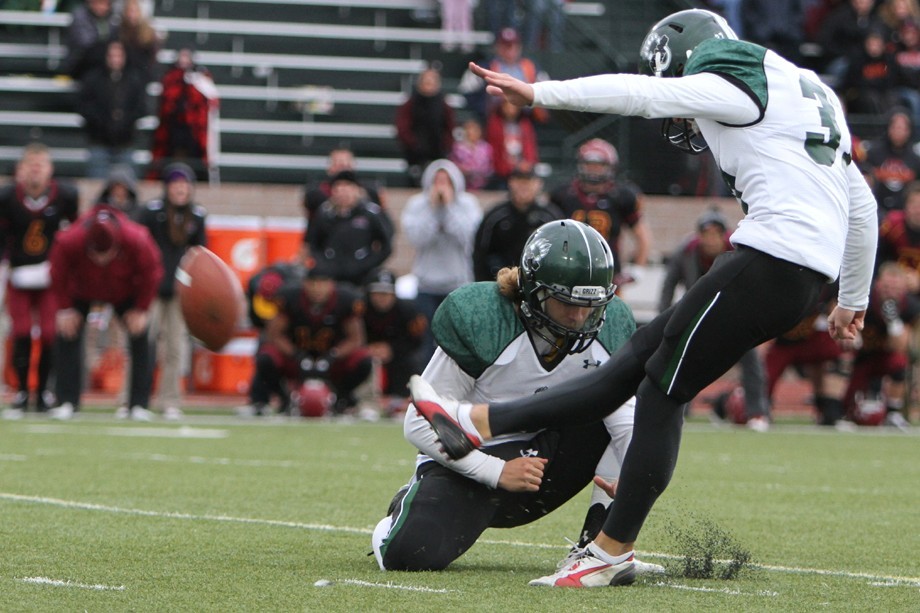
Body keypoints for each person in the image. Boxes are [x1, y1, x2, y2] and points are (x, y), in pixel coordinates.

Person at [409, 8, 877, 587]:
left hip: (772, 259)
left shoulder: (734, 74)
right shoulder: (808, 90)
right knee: (633, 363)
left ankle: (611, 550)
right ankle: (478, 420)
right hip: (797, 271)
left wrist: (539, 92)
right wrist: (852, 297)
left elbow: (640, 96)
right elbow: (862, 207)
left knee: (660, 389)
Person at [372, 220, 661, 577]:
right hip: (473, 462)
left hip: (550, 463)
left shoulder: (608, 327)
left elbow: (627, 422)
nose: (578, 316)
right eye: (565, 302)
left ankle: (599, 548)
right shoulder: (485, 321)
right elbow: (419, 421)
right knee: (408, 555)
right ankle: (408, 503)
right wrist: (496, 471)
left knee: (622, 409)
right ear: (532, 291)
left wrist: (633, 480)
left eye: (590, 304)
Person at [658, 207, 770, 430]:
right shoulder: (686, 252)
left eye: (715, 234)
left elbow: (754, 285)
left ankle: (757, 412)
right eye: (706, 234)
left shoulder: (739, 250)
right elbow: (668, 286)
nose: (710, 240)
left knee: (750, 359)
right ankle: (679, 409)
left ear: (723, 235)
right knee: (683, 359)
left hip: (735, 314)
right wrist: (666, 320)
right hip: (698, 314)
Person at [47, 204, 163, 421]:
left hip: (124, 290)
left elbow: (153, 272)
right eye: (95, 254)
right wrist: (65, 308)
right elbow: (57, 272)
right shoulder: (69, 240)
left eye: (106, 254)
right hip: (81, 289)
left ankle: (138, 404)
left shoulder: (136, 238)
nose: (101, 260)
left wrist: (141, 308)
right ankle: (66, 400)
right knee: (67, 334)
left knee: (141, 337)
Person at [0, 143, 79, 419]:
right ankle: (22, 391)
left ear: (50, 169)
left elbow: (73, 234)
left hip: (49, 276)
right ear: (21, 169)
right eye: (31, 165)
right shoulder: (8, 197)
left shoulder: (65, 195)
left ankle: (43, 391)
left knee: (48, 334)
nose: (36, 170)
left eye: (41, 165)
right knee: (21, 331)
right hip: (19, 274)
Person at [255, 259, 375, 417]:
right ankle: (284, 400)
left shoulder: (346, 300)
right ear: (305, 284)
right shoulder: (290, 297)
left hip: (333, 360)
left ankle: (341, 399)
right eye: (313, 283)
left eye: (323, 283)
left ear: (331, 284)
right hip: (296, 357)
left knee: (363, 359)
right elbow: (274, 335)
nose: (318, 288)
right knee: (267, 356)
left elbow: (356, 339)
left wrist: (332, 356)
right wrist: (297, 355)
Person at [136, 162, 208, 420]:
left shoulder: (196, 216)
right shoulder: (152, 212)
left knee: (175, 347)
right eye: (175, 184)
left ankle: (169, 400)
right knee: (143, 344)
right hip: (152, 289)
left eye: (184, 184)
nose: (180, 189)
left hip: (179, 291)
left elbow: (200, 255)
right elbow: (141, 249)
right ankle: (135, 399)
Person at [401, 159, 482, 364]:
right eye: (437, 180)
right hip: (426, 285)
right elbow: (417, 239)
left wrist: (449, 208)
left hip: (458, 284)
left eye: (446, 181)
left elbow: (468, 238)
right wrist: (433, 210)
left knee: (458, 340)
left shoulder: (468, 204)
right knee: (425, 341)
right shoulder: (417, 204)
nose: (441, 186)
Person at [549, 138, 651, 284]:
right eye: (589, 165)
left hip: (608, 273)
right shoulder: (563, 195)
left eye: (599, 166)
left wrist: (638, 268)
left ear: (610, 167)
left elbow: (642, 236)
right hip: (568, 271)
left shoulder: (621, 196)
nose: (593, 170)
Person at [841, 263, 918, 429]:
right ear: (877, 284)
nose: (891, 292)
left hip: (884, 356)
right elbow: (842, 322)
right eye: (887, 287)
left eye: (896, 288)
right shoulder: (864, 299)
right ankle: (839, 411)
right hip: (860, 355)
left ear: (904, 289)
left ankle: (893, 413)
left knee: (900, 362)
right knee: (846, 399)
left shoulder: (909, 305)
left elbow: (901, 346)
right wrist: (851, 333)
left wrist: (894, 323)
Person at [472, 163, 562, 282]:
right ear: (510, 183)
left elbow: (560, 253)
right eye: (519, 181)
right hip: (500, 283)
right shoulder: (496, 216)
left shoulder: (550, 217)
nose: (523, 186)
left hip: (540, 283)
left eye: (528, 181)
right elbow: (480, 254)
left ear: (538, 184)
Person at [304, 170, 393, 288]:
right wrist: (324, 264)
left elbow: (386, 245)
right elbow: (313, 243)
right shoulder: (324, 214)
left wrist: (367, 264)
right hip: (332, 276)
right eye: (338, 189)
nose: (342, 194)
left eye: (347, 189)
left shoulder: (370, 213)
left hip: (362, 276)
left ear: (357, 190)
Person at [77, 39, 147, 179]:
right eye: (112, 55)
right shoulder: (93, 79)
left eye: (118, 55)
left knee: (127, 184)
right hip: (99, 143)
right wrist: (104, 121)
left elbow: (141, 108)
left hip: (125, 143)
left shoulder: (134, 79)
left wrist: (124, 121)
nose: (115, 59)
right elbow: (85, 106)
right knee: (96, 184)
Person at [149, 46, 219, 181]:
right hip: (174, 128)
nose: (184, 60)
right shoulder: (170, 77)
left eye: (187, 57)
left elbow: (210, 100)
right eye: (182, 56)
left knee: (195, 158)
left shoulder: (201, 78)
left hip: (194, 130)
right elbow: (167, 103)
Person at [362, 268, 427, 413]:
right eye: (378, 293)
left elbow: (417, 342)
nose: (382, 298)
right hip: (366, 354)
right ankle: (362, 400)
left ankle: (403, 398)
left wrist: (391, 349)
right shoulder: (360, 308)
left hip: (399, 356)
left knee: (413, 362)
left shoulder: (409, 311)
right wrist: (366, 349)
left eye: (386, 294)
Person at [458, 27, 549, 124]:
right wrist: (484, 110)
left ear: (519, 47)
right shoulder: (486, 66)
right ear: (497, 47)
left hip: (525, 119)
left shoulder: (532, 67)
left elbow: (546, 93)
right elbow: (466, 90)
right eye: (505, 46)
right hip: (493, 119)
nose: (510, 50)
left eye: (513, 46)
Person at [395, 67, 456, 186]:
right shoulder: (410, 104)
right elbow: (403, 128)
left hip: (439, 153)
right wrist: (414, 145)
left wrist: (445, 146)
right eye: (426, 82)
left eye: (432, 82)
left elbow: (450, 127)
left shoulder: (444, 106)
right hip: (415, 155)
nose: (429, 86)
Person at [303, 148, 386, 223]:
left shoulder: (369, 192)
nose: (342, 170)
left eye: (346, 166)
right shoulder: (317, 193)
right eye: (338, 165)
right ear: (330, 168)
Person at [865, 107, 920, 218]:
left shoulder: (915, 159)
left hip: (905, 216)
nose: (898, 131)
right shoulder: (873, 154)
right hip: (875, 209)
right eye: (895, 127)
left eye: (902, 128)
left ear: (909, 130)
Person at [485, 98, 540, 189]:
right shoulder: (494, 124)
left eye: (513, 107)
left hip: (522, 168)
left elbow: (530, 146)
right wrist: (507, 166)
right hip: (502, 171)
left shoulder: (525, 124)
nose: (510, 109)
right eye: (507, 106)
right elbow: (494, 149)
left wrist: (528, 163)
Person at [64, 0, 118, 80]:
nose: (101, 7)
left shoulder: (113, 17)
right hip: (81, 64)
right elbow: (86, 44)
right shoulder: (80, 17)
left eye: (105, 3)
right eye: (98, 3)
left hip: (104, 64)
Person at [118, 0, 160, 84]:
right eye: (129, 11)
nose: (131, 15)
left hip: (142, 74)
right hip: (125, 75)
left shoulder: (147, 33)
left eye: (134, 11)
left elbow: (151, 57)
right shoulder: (120, 32)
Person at [449, 118, 494, 191]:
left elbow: (489, 167)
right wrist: (466, 170)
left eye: (474, 130)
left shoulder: (486, 148)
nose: (471, 132)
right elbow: (453, 165)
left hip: (483, 185)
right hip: (463, 185)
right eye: (468, 129)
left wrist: (477, 171)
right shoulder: (457, 148)